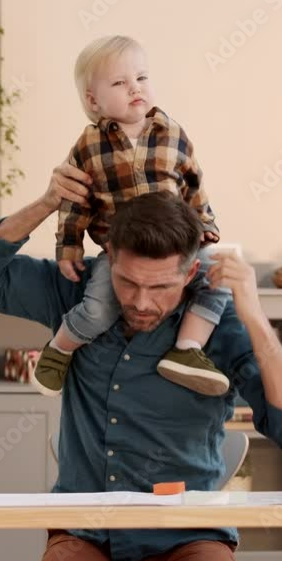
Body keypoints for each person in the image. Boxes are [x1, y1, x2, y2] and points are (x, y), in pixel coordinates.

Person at [0, 174, 282, 561]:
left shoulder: (219, 321)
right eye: (127, 282)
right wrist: (47, 203)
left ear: (191, 273)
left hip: (188, 534)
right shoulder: (74, 291)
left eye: (161, 287)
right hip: (84, 531)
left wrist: (255, 315)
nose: (142, 302)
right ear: (109, 256)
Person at [34, 35, 229, 399]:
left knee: (220, 276)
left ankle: (187, 349)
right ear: (94, 100)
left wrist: (206, 227)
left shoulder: (173, 134)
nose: (134, 88)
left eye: (141, 78)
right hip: (120, 252)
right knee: (98, 309)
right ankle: (59, 348)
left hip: (175, 247)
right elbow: (76, 202)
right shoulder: (88, 145)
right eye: (120, 83)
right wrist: (69, 247)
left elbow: (194, 184)